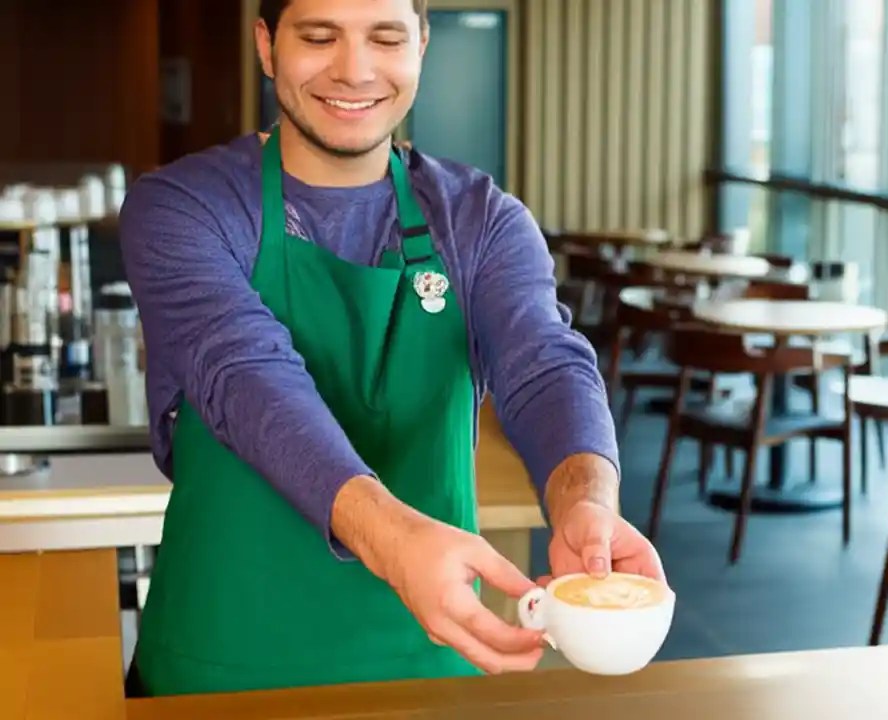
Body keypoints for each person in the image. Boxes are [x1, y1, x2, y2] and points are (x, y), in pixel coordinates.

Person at [117, 0, 662, 697]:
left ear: (421, 45)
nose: (355, 69)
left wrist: (588, 501)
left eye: (385, 37)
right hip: (220, 668)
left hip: (431, 666)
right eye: (319, 37)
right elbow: (245, 374)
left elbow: (545, 363)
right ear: (266, 45)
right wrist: (391, 540)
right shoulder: (183, 207)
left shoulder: (481, 219)